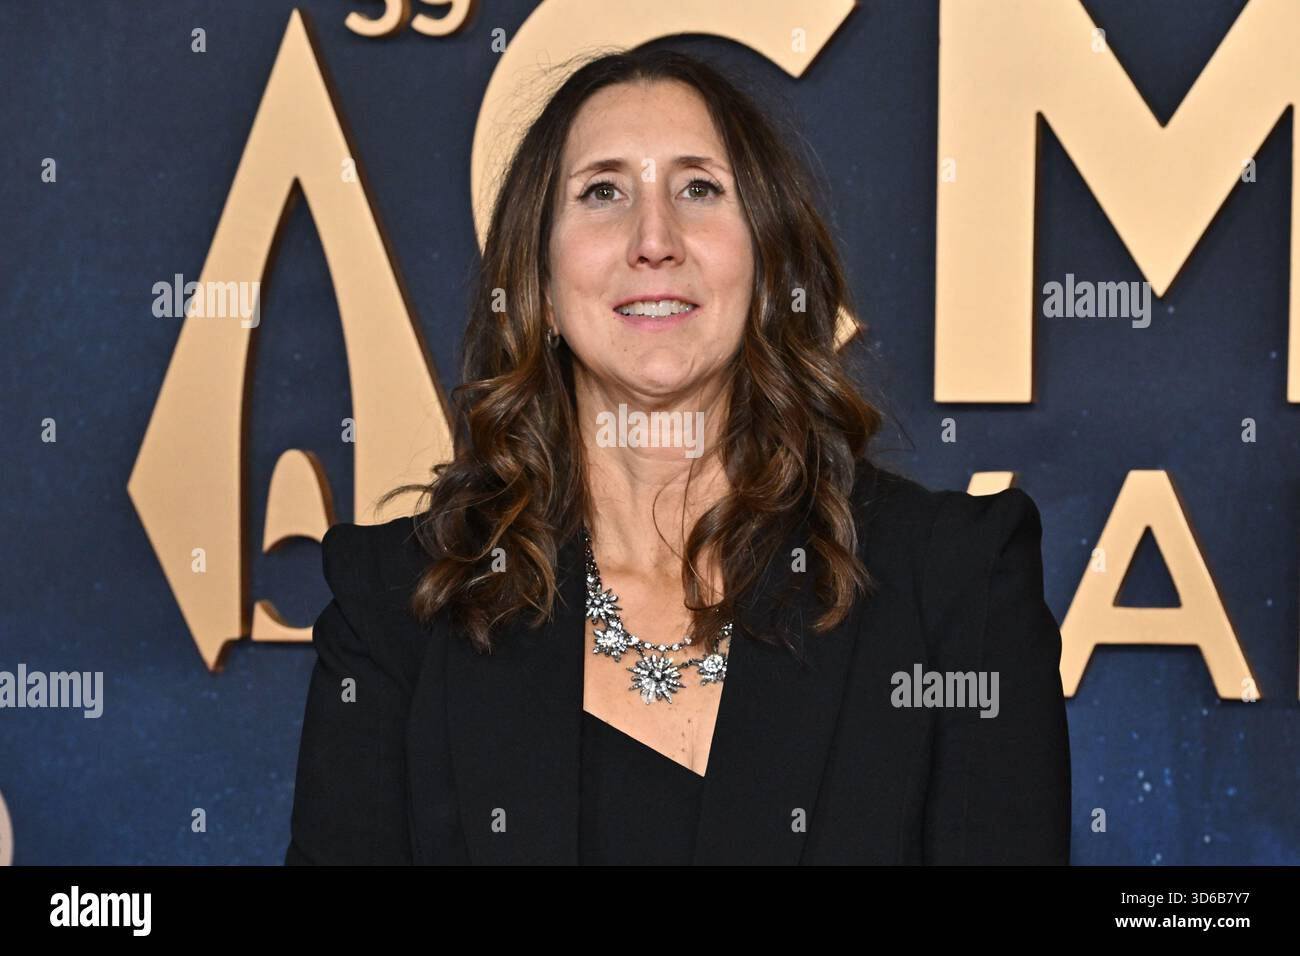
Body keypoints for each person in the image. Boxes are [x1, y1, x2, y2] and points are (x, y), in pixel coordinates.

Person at [285, 48, 1071, 865]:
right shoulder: (402, 606)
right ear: (541, 285)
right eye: (602, 192)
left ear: (768, 264)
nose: (653, 239)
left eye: (699, 188)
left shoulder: (954, 584)